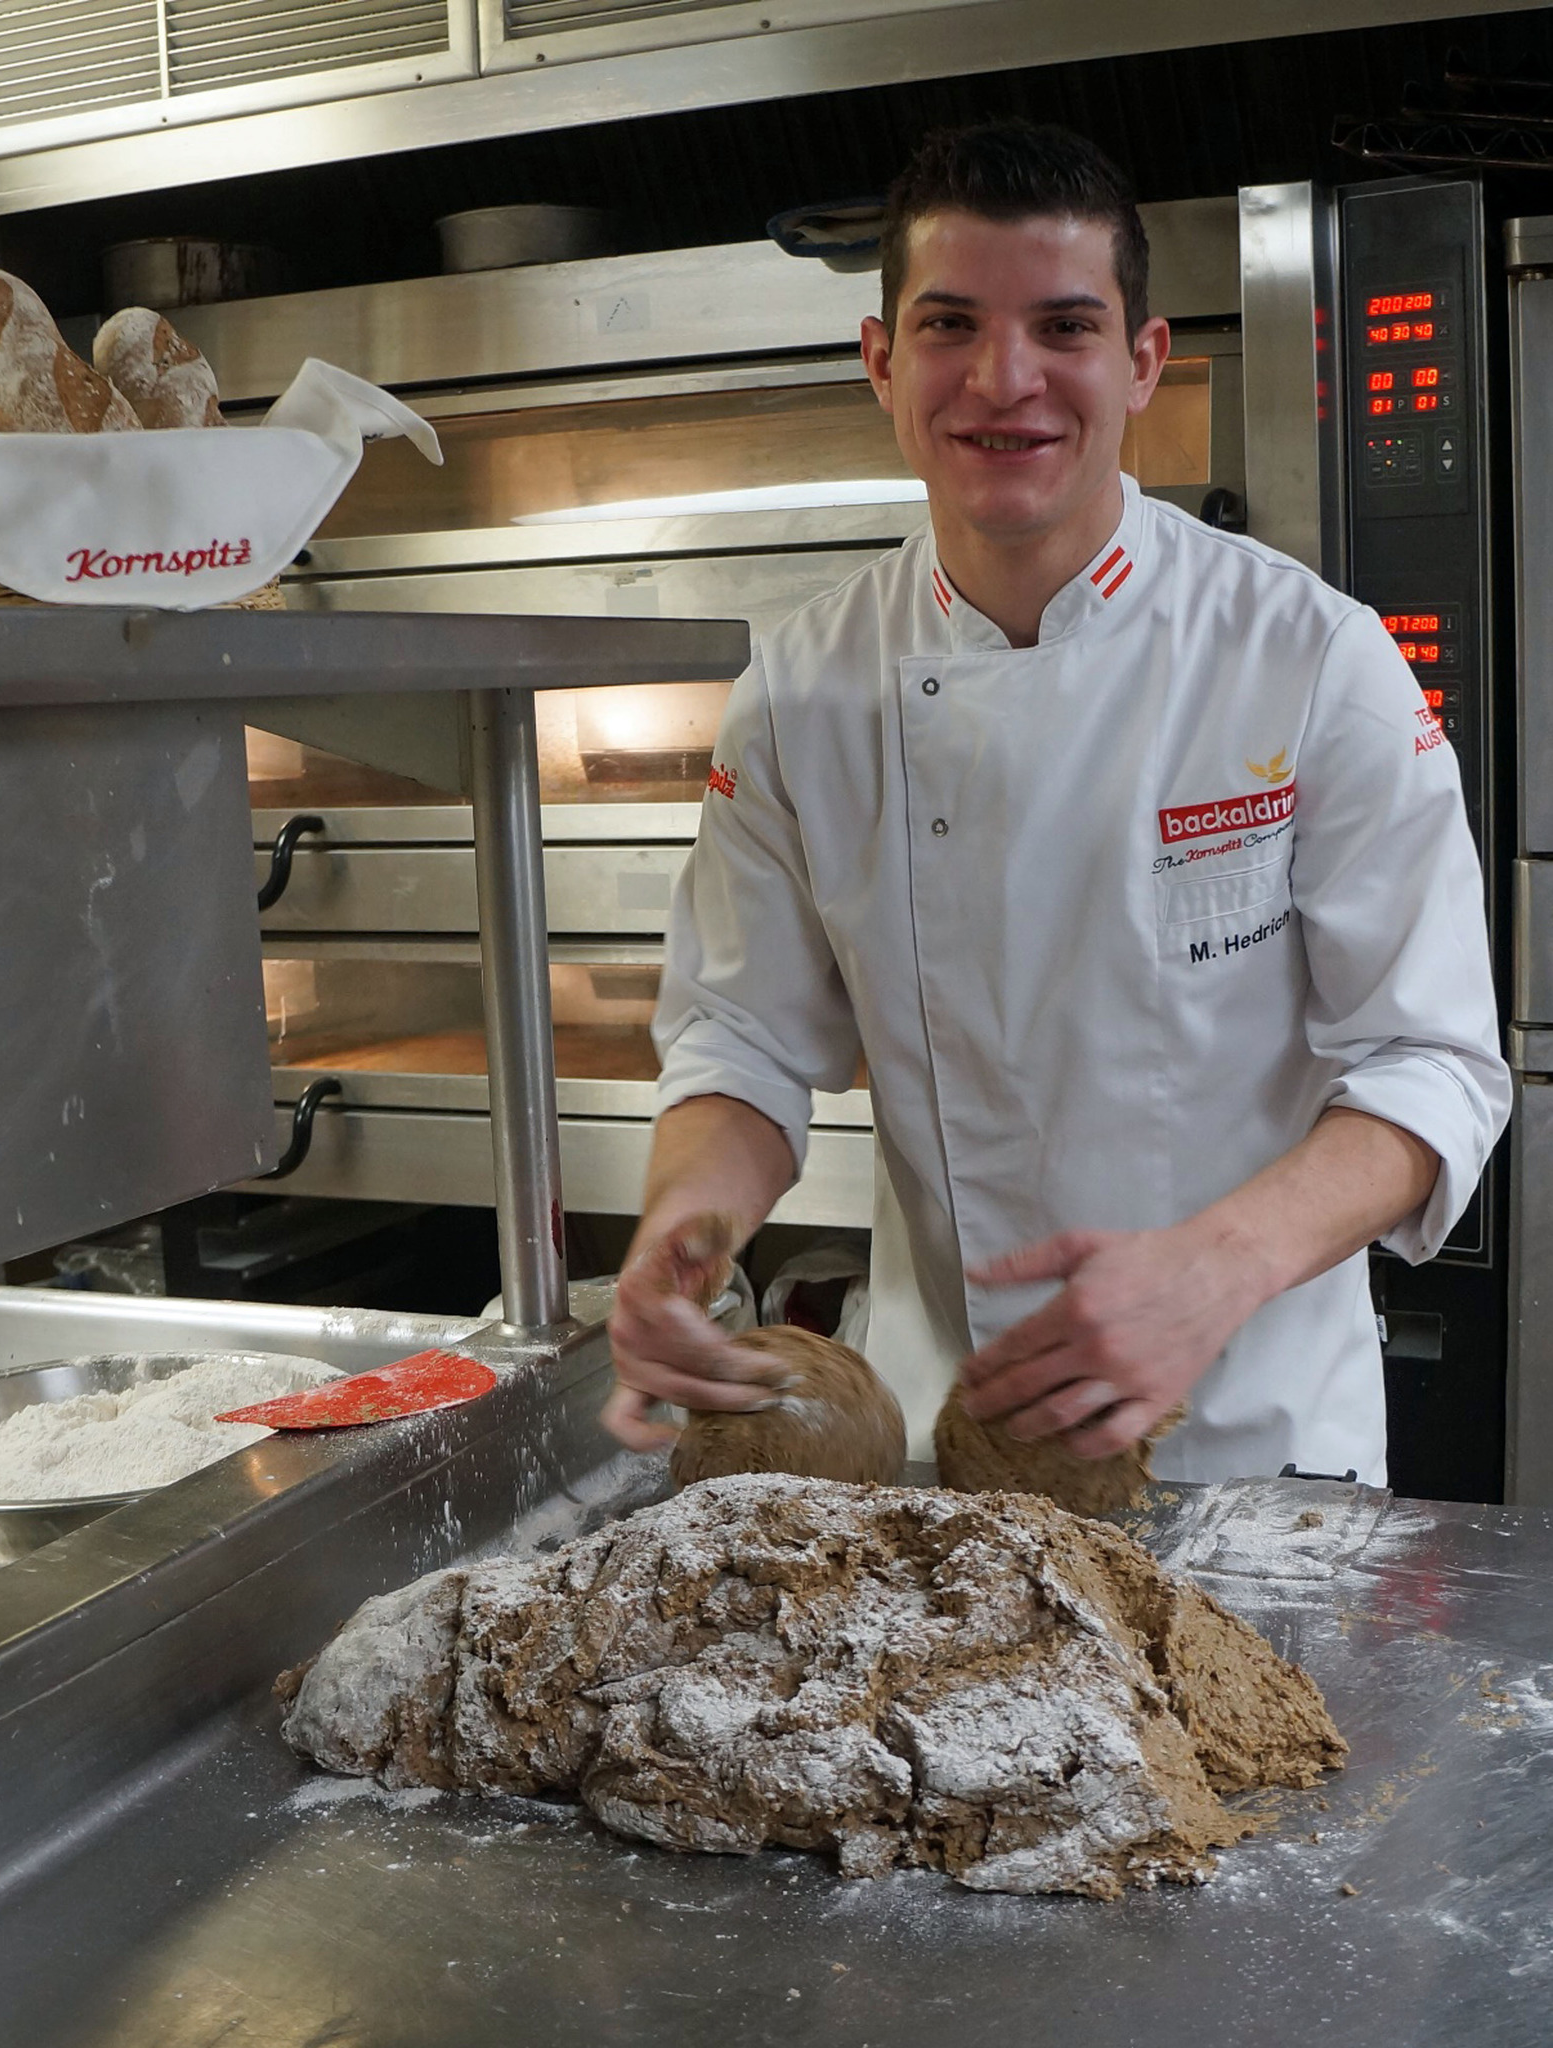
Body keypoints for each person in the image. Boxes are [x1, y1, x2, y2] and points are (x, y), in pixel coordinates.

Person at [603, 120, 1510, 1486]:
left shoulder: (1311, 659)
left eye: (1064, 326)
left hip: (1252, 1443)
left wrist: (1215, 1266)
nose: (1003, 379)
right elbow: (741, 1040)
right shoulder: (800, 691)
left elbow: (1433, 1065)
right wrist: (685, 1227)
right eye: (950, 325)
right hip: (935, 1438)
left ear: (1142, 362)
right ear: (881, 362)